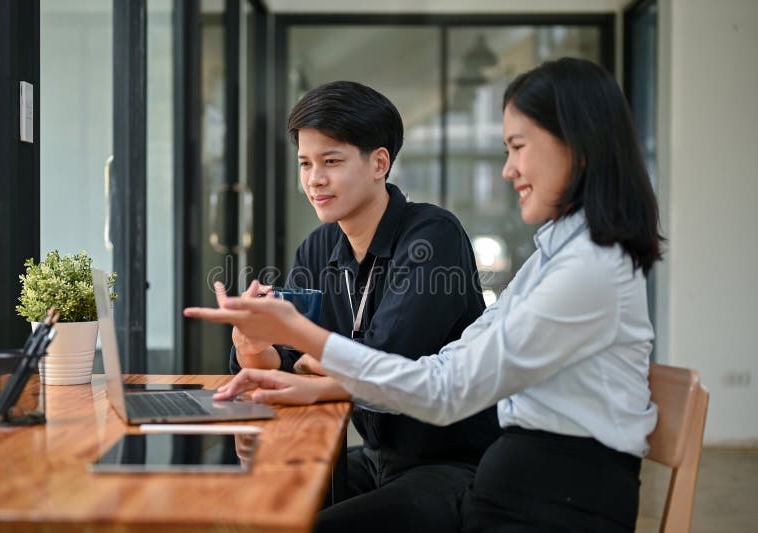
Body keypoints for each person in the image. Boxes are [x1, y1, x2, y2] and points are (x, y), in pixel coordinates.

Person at [186, 57, 663, 532]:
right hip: (479, 472)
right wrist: (264, 349)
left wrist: (310, 344)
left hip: (505, 481)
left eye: (518, 147)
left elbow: (436, 386)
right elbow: (439, 367)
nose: (507, 170)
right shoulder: (553, 256)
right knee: (257, 506)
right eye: (305, 164)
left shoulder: (577, 267)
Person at [228, 80, 501, 530]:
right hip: (377, 457)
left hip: (454, 464)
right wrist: (252, 344)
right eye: (305, 163)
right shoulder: (319, 248)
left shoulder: (432, 238)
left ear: (379, 163)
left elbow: (383, 362)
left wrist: (309, 361)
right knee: (264, 507)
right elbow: (288, 360)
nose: (315, 179)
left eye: (331, 162)